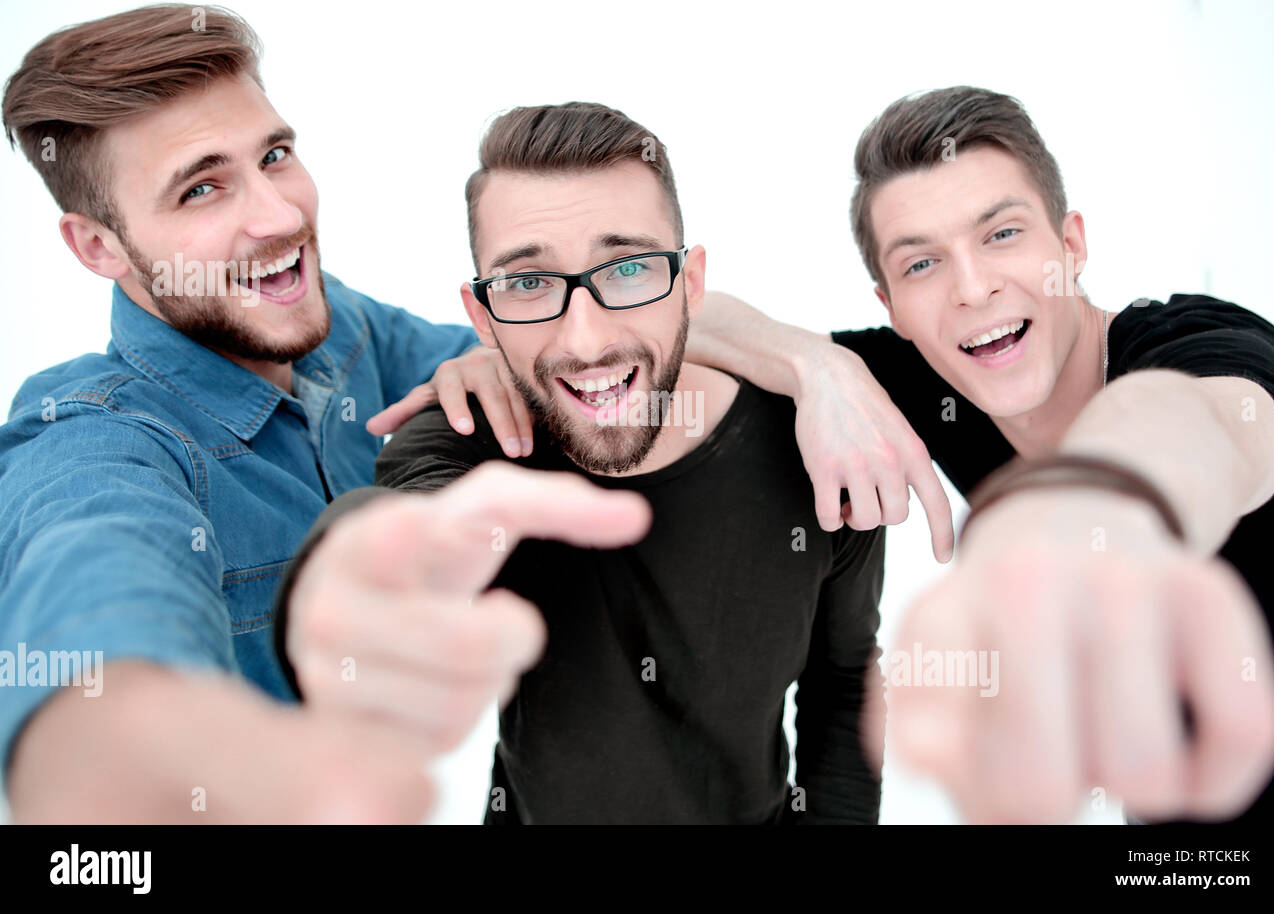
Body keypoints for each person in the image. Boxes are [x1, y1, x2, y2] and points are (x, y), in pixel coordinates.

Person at [0, 4, 587, 823]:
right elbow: (98, 623)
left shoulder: (334, 326)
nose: (279, 216)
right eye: (201, 188)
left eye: (275, 155)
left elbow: (598, 339)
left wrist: (801, 360)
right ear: (99, 247)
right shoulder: (92, 441)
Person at [673, 87, 1274, 824]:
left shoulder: (1199, 342)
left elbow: (1203, 424)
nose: (972, 288)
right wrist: (817, 367)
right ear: (891, 306)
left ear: (1071, 244)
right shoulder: (932, 377)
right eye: (922, 265)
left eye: (1001, 235)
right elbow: (673, 312)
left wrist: (1086, 508)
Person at [274, 102, 887, 824]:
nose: (586, 338)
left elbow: (842, 684)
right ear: (483, 316)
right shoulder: (467, 437)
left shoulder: (817, 445)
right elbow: (399, 519)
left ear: (690, 284)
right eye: (529, 284)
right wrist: (352, 574)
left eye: (626, 269)